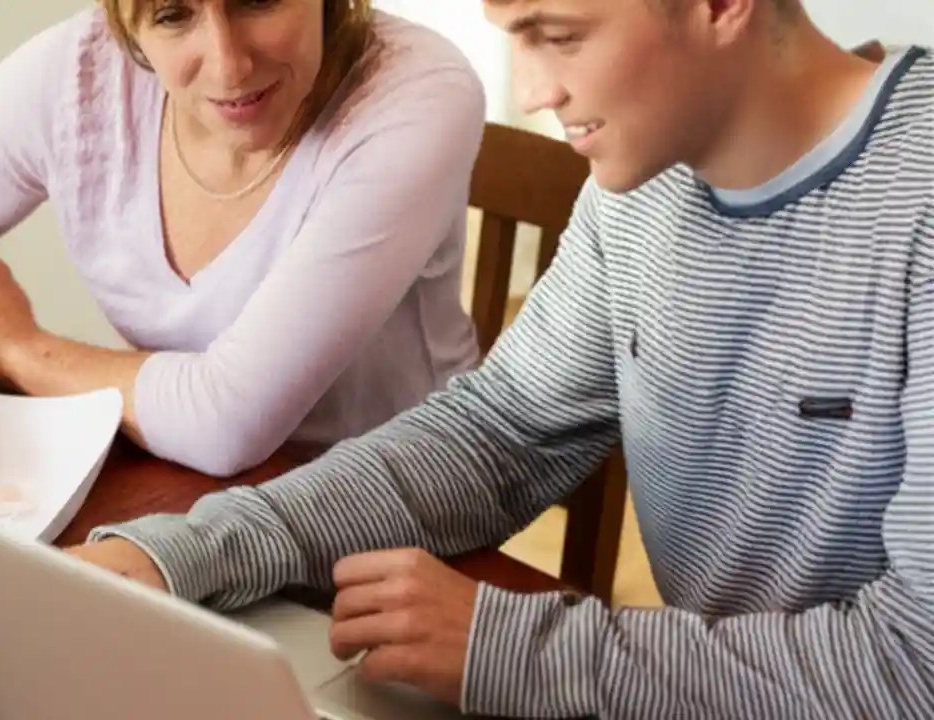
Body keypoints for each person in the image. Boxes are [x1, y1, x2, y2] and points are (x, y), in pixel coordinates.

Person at [70, 0, 934, 716]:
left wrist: (511, 647)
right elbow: (502, 430)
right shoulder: (646, 185)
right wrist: (192, 553)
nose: (531, 91)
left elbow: (915, 666)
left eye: (559, 36)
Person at [0, 0, 489, 536]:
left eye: (259, 1)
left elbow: (227, 422)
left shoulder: (418, 94)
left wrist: (16, 346)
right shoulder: (81, 77)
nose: (229, 65)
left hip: (396, 517)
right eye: (173, 14)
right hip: (187, 494)